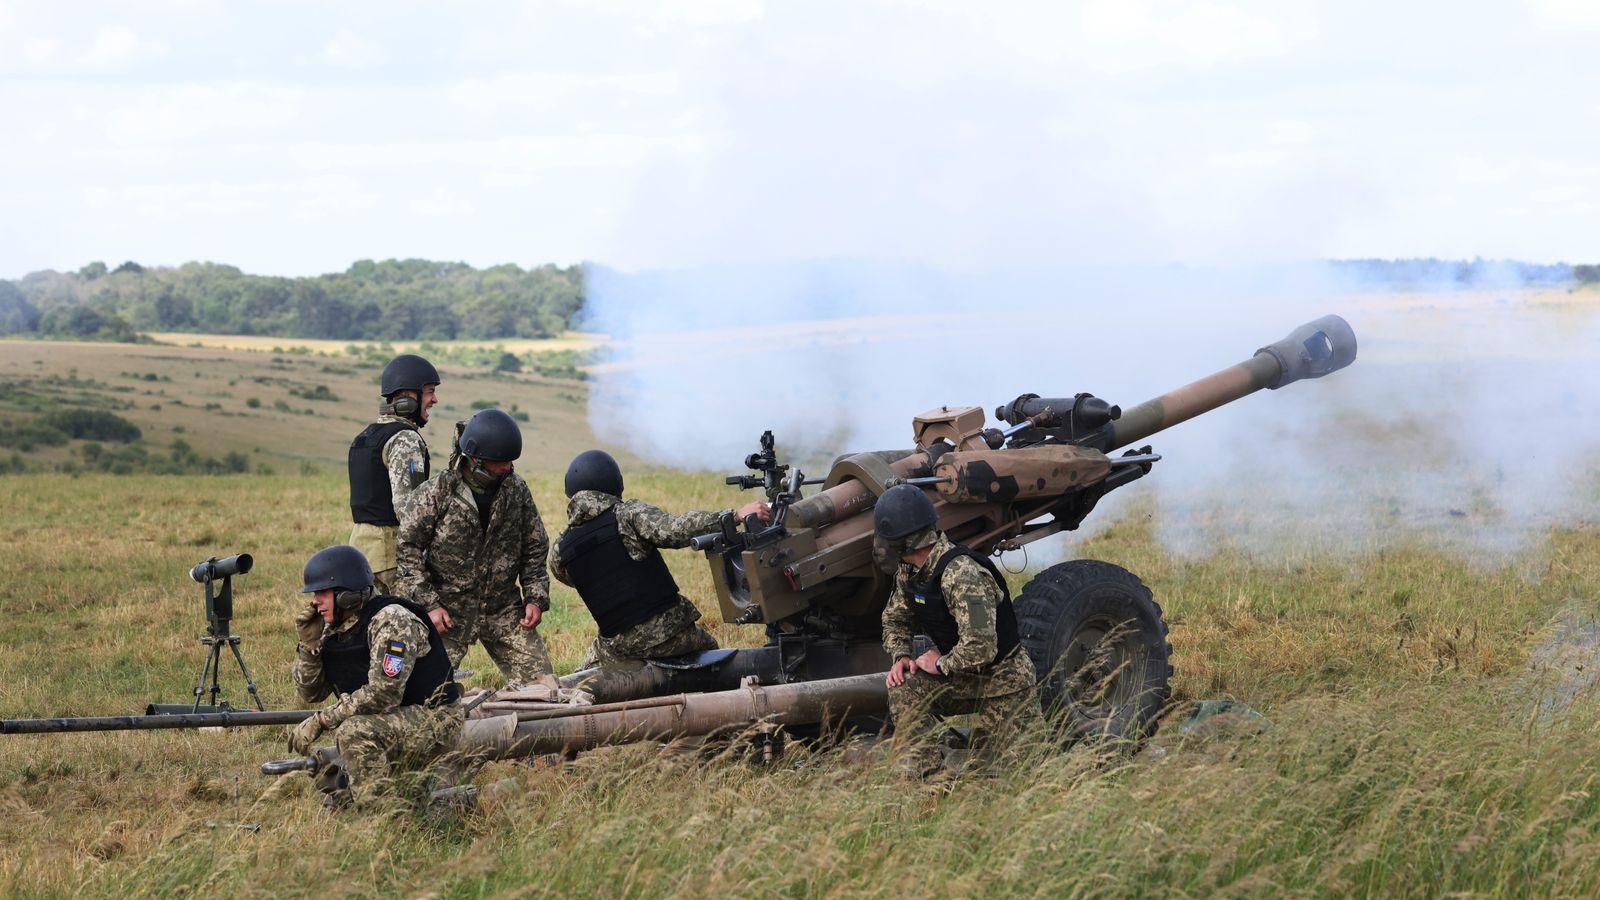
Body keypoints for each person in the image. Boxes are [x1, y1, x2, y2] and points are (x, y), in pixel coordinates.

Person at [550, 449, 770, 677]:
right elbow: (676, 529)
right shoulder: (627, 515)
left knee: (580, 676)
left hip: (618, 647)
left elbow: (581, 580)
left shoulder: (560, 550)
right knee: (715, 656)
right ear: (614, 483)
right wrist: (734, 515)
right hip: (668, 636)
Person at [874, 483, 1042, 779]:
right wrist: (900, 655)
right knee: (905, 689)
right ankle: (927, 780)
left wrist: (938, 663)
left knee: (1021, 771)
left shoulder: (962, 575)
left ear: (906, 542)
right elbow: (895, 618)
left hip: (1003, 681)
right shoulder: (910, 572)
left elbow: (982, 647)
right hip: (958, 676)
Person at [288, 544, 463, 806]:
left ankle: (382, 818)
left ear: (346, 594)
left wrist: (324, 720)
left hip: (435, 719)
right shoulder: (334, 626)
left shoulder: (392, 620)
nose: (314, 601)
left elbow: (384, 693)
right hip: (395, 719)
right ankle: (397, 795)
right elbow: (310, 692)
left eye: (322, 592)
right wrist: (309, 647)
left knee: (354, 732)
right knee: (329, 778)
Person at [395, 408, 553, 687]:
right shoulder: (436, 493)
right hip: (447, 612)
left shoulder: (516, 490)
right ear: (476, 459)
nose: (508, 467)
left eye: (510, 461)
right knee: (423, 692)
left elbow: (535, 544)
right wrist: (429, 605)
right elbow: (408, 548)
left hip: (502, 609)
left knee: (544, 686)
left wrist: (535, 597)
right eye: (501, 461)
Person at [348, 354, 440, 592]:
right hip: (393, 559)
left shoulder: (365, 436)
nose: (435, 399)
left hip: (361, 553)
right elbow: (410, 510)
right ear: (409, 396)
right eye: (429, 391)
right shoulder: (405, 439)